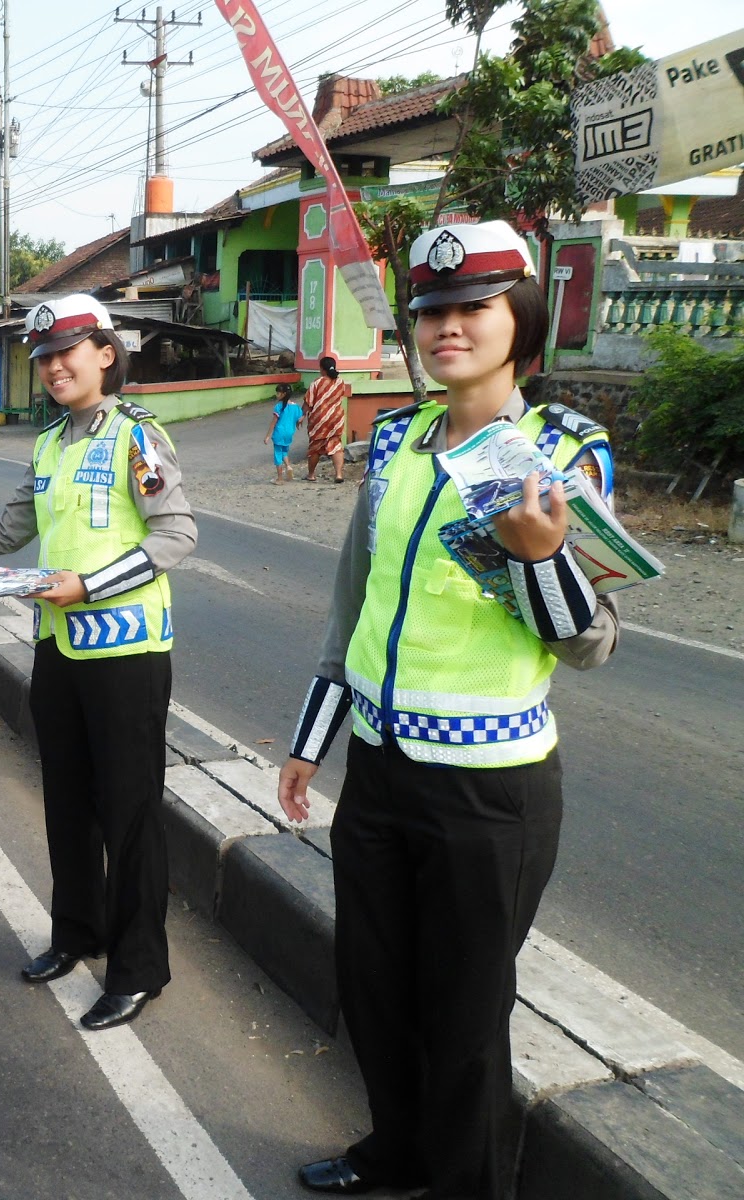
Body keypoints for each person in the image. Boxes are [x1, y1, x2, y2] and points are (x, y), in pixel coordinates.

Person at [276, 221, 619, 1199]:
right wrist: (311, 745)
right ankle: (395, 1152)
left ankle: (462, 1184)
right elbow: (355, 604)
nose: (447, 327)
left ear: (521, 320)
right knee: (374, 989)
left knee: (465, 1017)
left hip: (490, 792)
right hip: (378, 775)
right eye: (430, 311)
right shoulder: (393, 440)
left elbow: (590, 641)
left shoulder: (562, 452)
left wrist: (538, 553)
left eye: (473, 307)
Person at [0, 295, 195, 1030]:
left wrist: (89, 584)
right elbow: (6, 529)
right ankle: (76, 935)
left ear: (105, 355)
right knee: (69, 804)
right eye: (44, 356)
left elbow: (176, 534)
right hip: (59, 648)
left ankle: (140, 966)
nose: (54, 366)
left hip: (128, 654)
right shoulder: (51, 443)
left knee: (131, 814)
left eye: (68, 352)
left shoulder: (136, 438)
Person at [304, 355, 351, 483]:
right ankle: (339, 474)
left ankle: (311, 474)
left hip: (319, 420)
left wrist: (302, 416)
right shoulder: (340, 382)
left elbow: (308, 403)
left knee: (315, 447)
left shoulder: (316, 383)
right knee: (336, 445)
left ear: (322, 369)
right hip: (336, 418)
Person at [263, 382, 303, 483]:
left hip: (279, 433)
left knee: (278, 454)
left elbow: (273, 423)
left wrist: (268, 436)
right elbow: (300, 418)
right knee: (284, 451)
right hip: (289, 433)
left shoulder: (278, 407)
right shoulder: (296, 407)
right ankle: (288, 466)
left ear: (283, 394)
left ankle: (279, 478)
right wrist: (298, 424)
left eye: (278, 393)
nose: (277, 395)